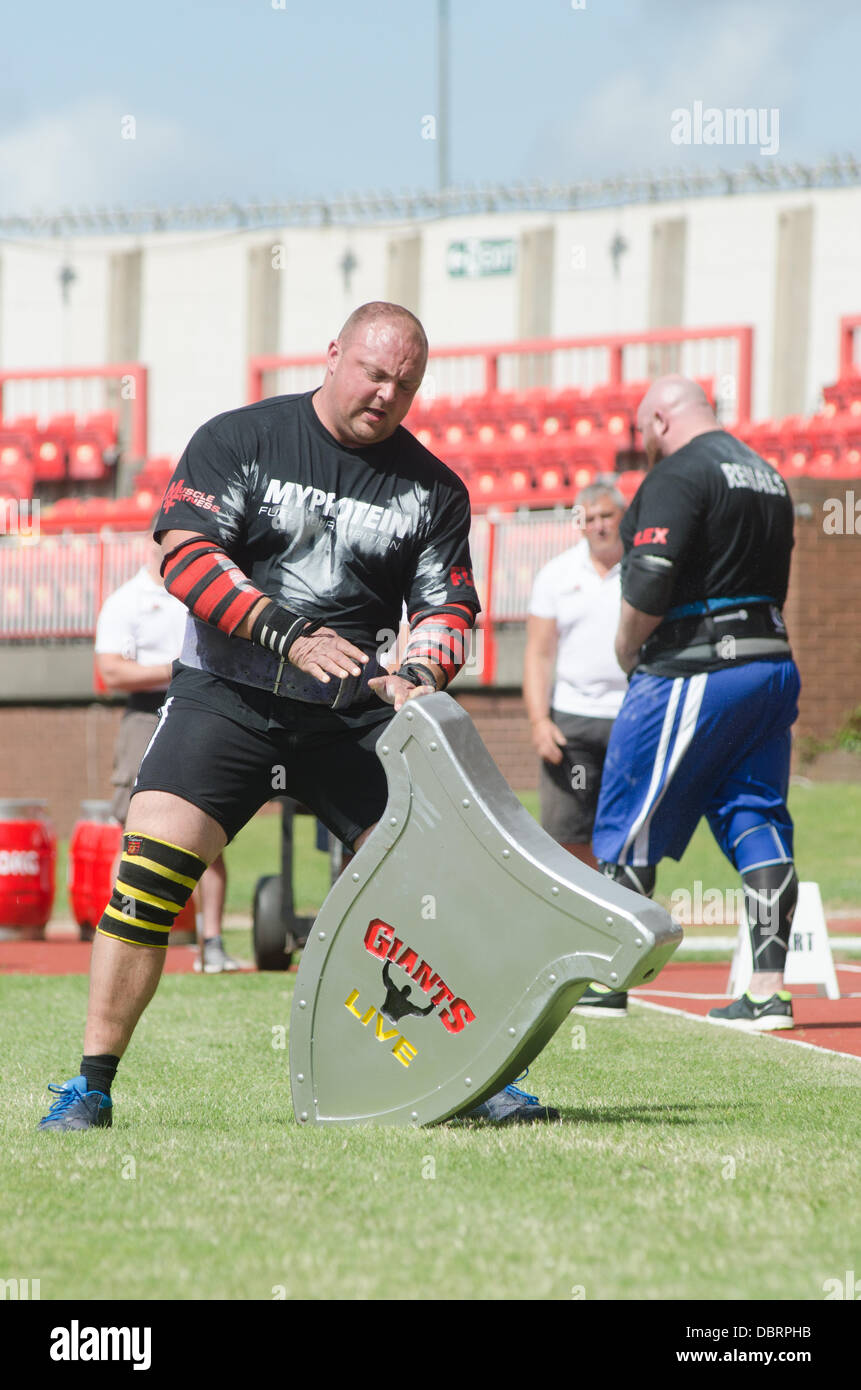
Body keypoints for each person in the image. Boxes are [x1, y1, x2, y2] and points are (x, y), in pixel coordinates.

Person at [39, 301, 557, 1131]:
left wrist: (421, 673)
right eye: (374, 372)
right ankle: (92, 1086)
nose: (387, 394)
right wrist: (289, 636)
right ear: (333, 355)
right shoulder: (240, 438)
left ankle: (472, 1078)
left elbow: (449, 606)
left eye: (406, 382)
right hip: (228, 698)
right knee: (143, 886)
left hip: (353, 712)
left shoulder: (433, 488)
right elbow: (187, 558)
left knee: (427, 897)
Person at [592, 375, 801, 1031]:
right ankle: (766, 991)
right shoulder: (765, 474)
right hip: (770, 665)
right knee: (756, 816)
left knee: (627, 815)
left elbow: (650, 577)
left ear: (658, 418)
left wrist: (626, 649)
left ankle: (608, 981)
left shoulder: (678, 473)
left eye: (641, 432)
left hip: (697, 665)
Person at [94, 539, 236, 973]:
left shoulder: (203, 591)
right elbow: (112, 670)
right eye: (166, 543)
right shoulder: (127, 600)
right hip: (145, 715)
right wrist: (176, 669)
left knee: (208, 831)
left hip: (202, 713)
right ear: (151, 545)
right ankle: (125, 934)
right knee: (132, 833)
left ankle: (211, 943)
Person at [523, 482, 632, 1015]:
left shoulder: (645, 570)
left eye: (607, 516)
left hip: (635, 719)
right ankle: (571, 945)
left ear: (623, 516)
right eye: (588, 518)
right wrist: (540, 719)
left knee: (626, 839)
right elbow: (539, 655)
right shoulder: (556, 575)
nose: (598, 526)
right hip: (571, 723)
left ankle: (622, 952)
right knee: (567, 838)